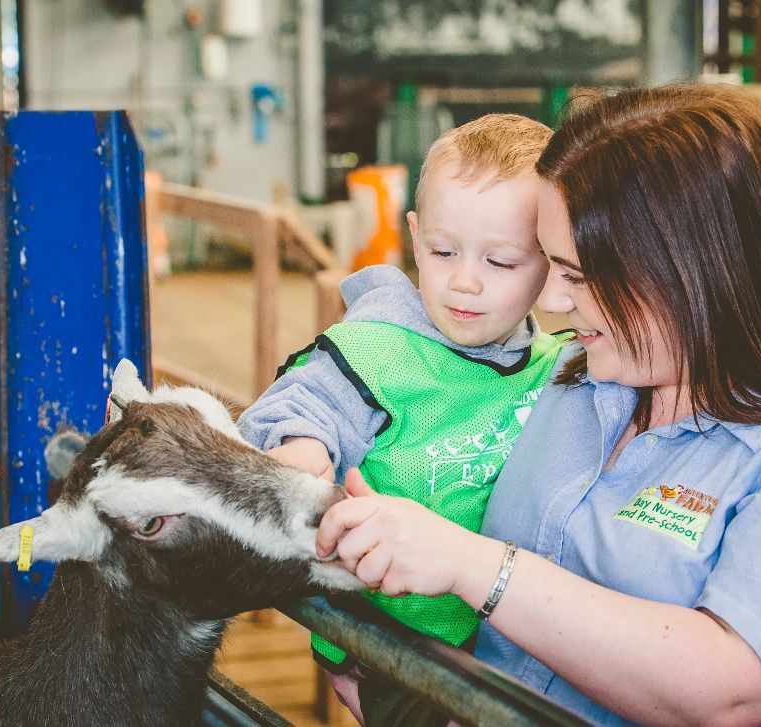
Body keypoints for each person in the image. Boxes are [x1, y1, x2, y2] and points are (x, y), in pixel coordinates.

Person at [313, 84, 761, 727]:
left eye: (580, 275)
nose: (554, 300)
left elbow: (728, 692)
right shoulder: (568, 373)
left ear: (691, 271)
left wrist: (467, 563)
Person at [239, 114, 569, 726]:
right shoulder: (378, 345)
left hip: (513, 635)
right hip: (402, 644)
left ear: (553, 261)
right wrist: (305, 456)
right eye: (443, 252)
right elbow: (304, 406)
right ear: (414, 236)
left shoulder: (557, 361)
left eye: (501, 262)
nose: (463, 282)